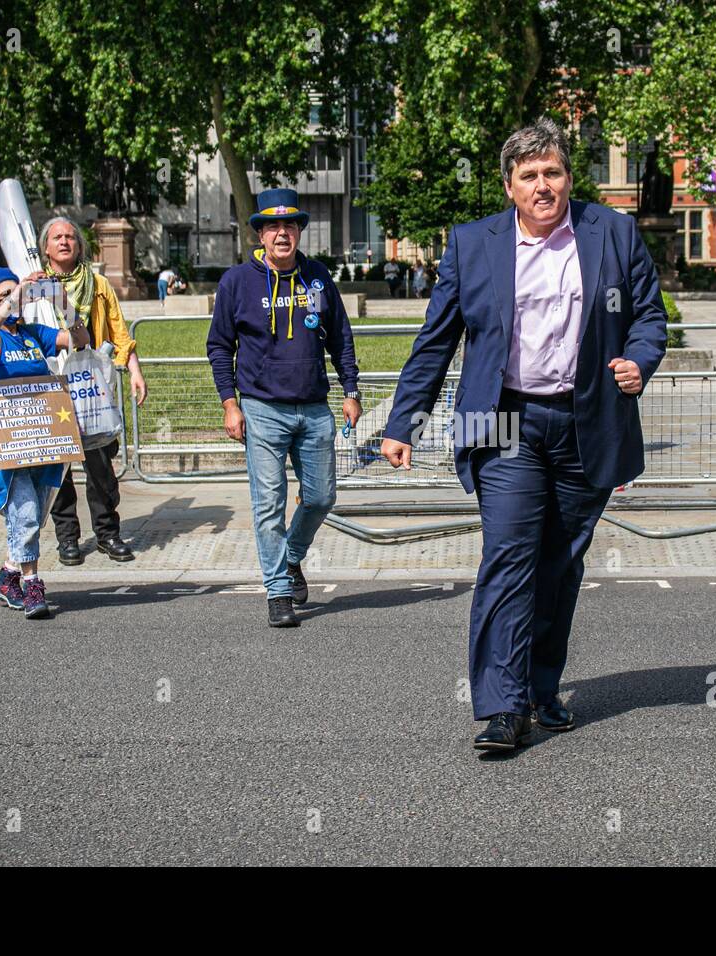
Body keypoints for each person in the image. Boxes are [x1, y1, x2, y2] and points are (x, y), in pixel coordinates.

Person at [380, 117, 668, 753]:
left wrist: (638, 361)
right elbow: (436, 342)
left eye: (554, 173)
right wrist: (404, 422)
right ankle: (503, 707)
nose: (544, 186)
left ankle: (541, 688)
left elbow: (648, 316)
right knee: (509, 558)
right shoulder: (472, 244)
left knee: (560, 565)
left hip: (583, 419)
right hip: (503, 418)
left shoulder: (612, 234)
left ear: (569, 178)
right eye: (530, 176)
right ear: (508, 185)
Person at [206, 188, 361, 628]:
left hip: (314, 408)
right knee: (268, 503)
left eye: (289, 225)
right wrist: (229, 404)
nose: (281, 233)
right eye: (272, 226)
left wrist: (351, 390)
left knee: (321, 496)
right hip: (261, 409)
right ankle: (277, 591)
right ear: (260, 233)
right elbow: (219, 346)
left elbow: (340, 337)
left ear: (298, 232)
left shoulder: (317, 278)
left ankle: (291, 556)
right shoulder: (237, 281)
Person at [0, 267, 89, 619]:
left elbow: (80, 337)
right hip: (6, 443)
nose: (12, 300)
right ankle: (33, 584)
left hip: (41, 439)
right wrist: (6, 304)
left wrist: (63, 303)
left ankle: (7, 576)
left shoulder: (34, 334)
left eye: (14, 293)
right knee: (26, 514)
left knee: (32, 514)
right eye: (1, 294)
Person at [39, 216, 148, 564]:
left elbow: (118, 332)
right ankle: (67, 538)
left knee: (101, 466)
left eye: (70, 236)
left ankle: (107, 534)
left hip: (91, 388)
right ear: (46, 247)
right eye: (57, 237)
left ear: (80, 245)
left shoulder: (98, 284)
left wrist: (134, 371)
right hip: (51, 385)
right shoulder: (35, 286)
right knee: (58, 468)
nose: (65, 241)